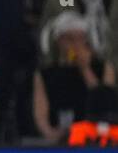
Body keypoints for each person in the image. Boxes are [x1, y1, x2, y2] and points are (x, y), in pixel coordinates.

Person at [32, 12, 118, 143]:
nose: (77, 44)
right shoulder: (45, 74)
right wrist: (49, 132)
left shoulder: (103, 68)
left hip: (96, 138)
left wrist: (85, 69)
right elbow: (41, 113)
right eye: (71, 39)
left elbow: (105, 106)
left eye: (81, 38)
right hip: (61, 138)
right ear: (59, 41)